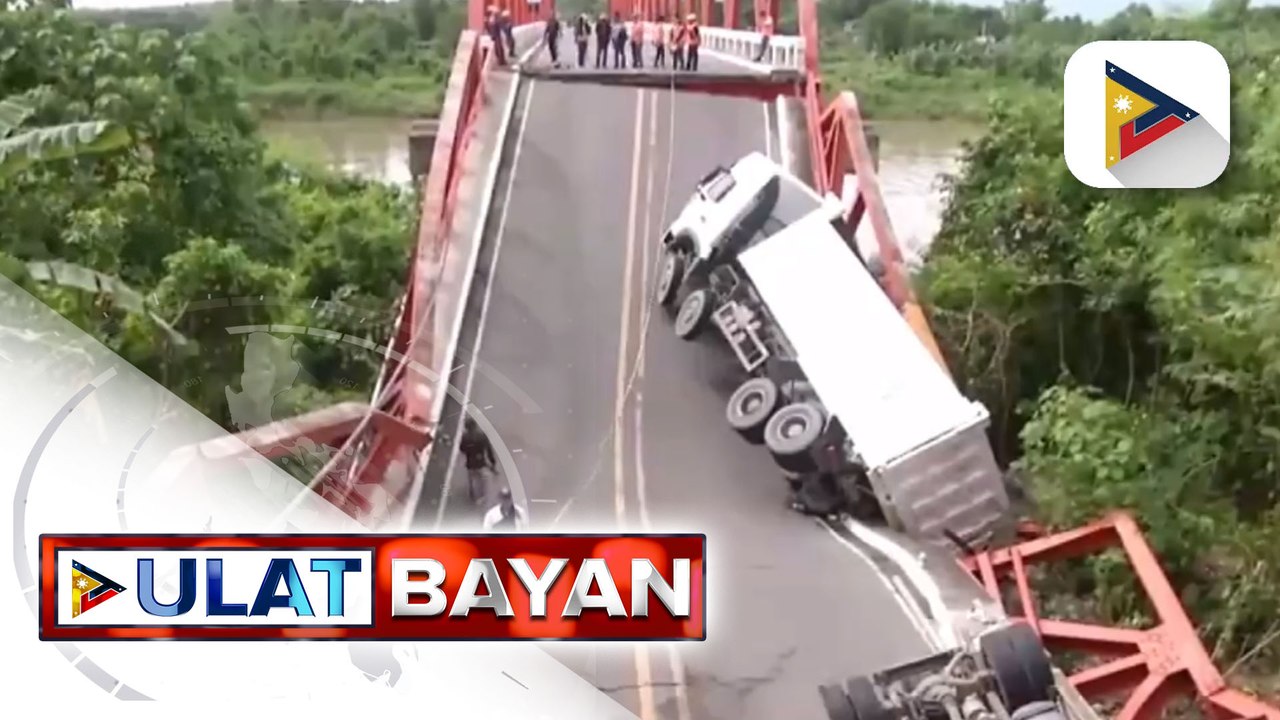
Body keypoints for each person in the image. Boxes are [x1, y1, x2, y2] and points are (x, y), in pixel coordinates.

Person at [458, 418, 497, 507]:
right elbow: (488, 449)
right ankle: (482, 497)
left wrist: (469, 451)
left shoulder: (465, 437)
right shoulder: (482, 436)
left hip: (470, 463)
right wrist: (492, 462)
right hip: (481, 462)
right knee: (483, 481)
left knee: (472, 479)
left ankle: (473, 494)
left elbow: (462, 449)